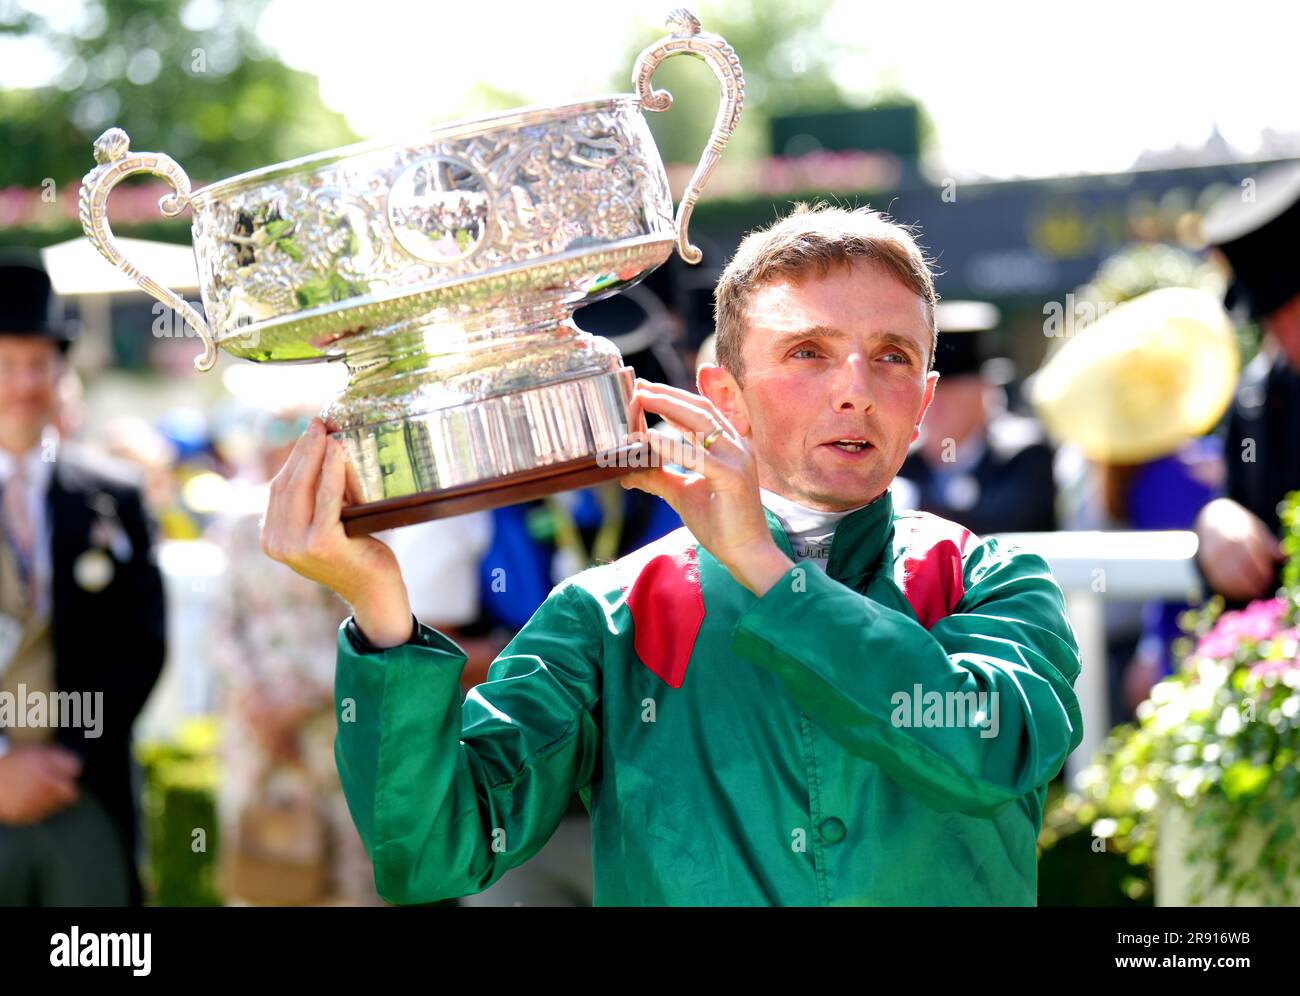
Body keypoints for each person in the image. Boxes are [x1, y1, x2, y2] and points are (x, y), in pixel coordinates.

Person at [261, 203, 1083, 906]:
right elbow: (431, 854)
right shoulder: (604, 616)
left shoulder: (992, 580)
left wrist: (765, 569)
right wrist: (380, 618)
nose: (855, 388)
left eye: (893, 356)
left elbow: (985, 749)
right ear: (722, 393)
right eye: (809, 352)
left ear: (924, 400)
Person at [0, 257, 166, 905]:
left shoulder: (112, 494)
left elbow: (142, 644)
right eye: (7, 365)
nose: (24, 384)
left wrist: (64, 756)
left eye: (40, 365)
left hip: (84, 786)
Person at [1195, 163, 1300, 603]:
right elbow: (1242, 506)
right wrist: (1216, 521)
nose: (1286, 334)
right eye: (1271, 317)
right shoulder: (1260, 399)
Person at [899, 301, 1057, 534]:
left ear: (983, 391)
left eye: (950, 388)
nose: (935, 401)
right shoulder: (902, 463)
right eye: (927, 388)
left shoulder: (1023, 455)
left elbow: (1004, 526)